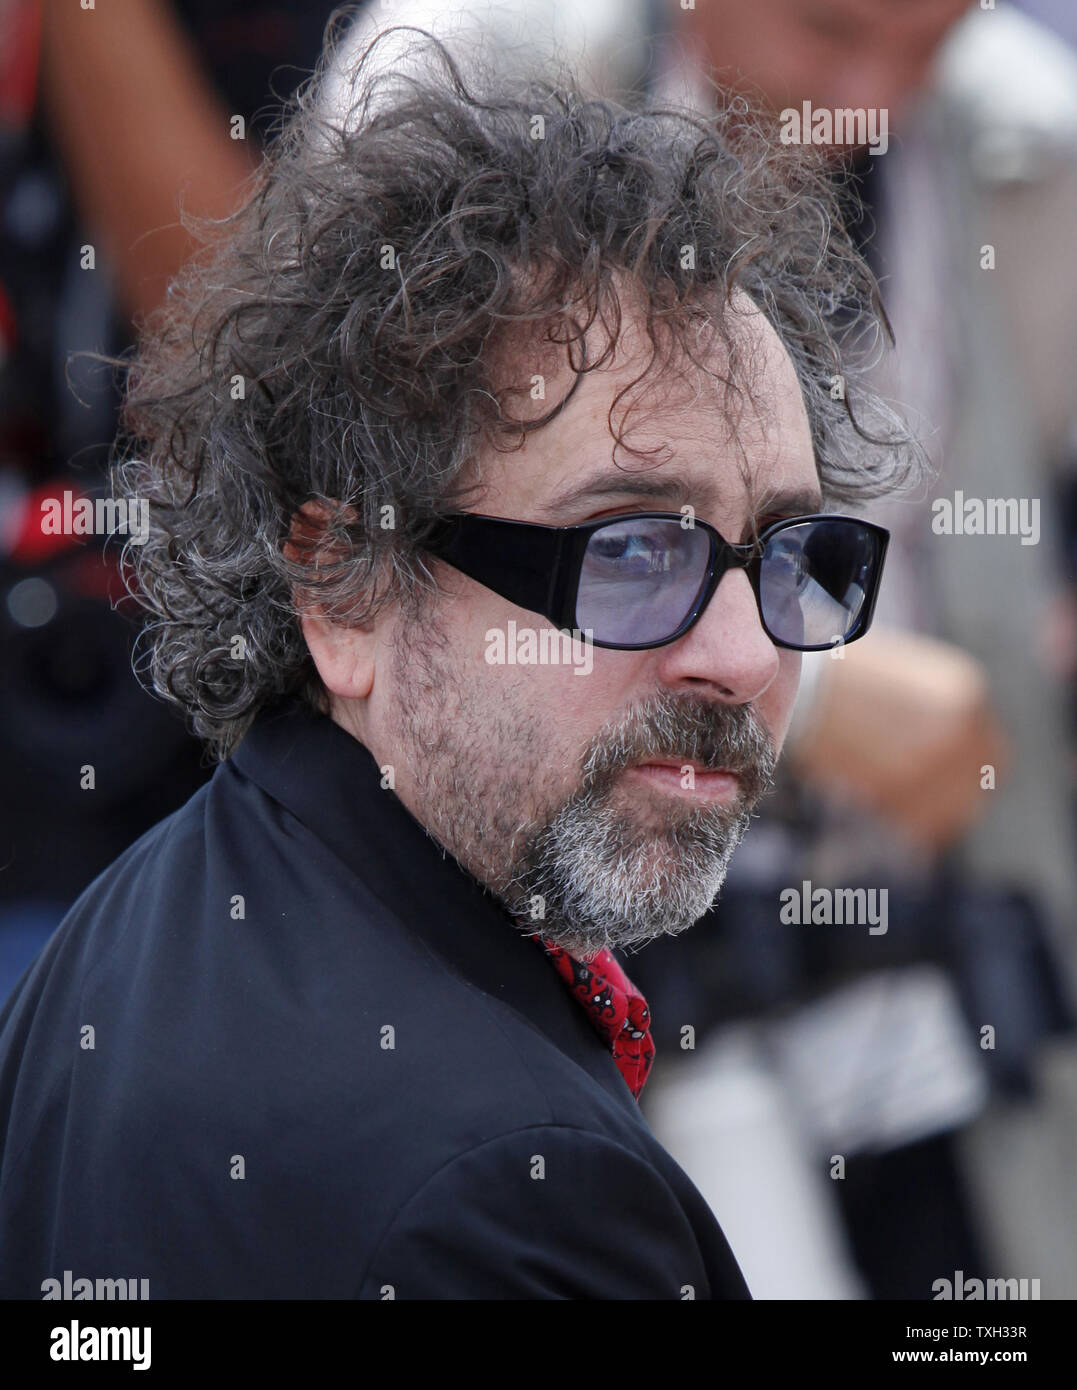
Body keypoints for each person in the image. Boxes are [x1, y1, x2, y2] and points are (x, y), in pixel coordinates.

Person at [0, 26, 919, 1298]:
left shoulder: (107, 962)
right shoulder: (520, 1188)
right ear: (343, 585)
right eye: (631, 553)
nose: (743, 652)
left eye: (788, 552)